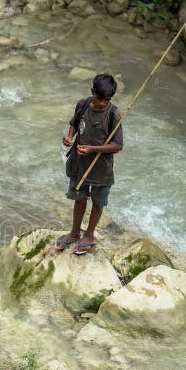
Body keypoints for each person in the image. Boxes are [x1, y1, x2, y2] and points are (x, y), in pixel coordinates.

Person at [55, 73, 123, 255]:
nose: (102, 103)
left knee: (98, 201)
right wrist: (69, 136)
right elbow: (74, 124)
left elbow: (118, 145)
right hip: (79, 163)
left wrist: (93, 149)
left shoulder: (113, 114)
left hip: (101, 167)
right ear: (92, 92)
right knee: (79, 197)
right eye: (100, 98)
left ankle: (89, 235)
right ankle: (74, 233)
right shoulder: (82, 104)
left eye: (107, 100)